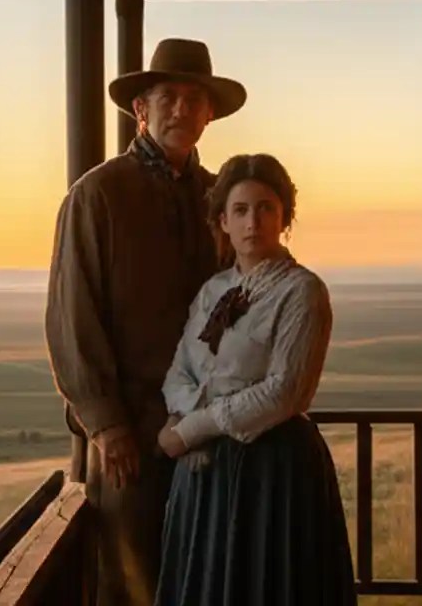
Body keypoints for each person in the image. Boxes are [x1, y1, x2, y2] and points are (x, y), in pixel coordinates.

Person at [44, 38, 246, 605]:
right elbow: (72, 316)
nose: (181, 109)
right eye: (167, 97)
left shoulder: (219, 199)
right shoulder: (98, 194)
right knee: (131, 584)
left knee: (204, 577)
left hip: (207, 430)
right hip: (128, 438)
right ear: (141, 109)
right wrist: (106, 424)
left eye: (193, 99)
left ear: (209, 114)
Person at [155, 154, 357, 606]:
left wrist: (188, 431)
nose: (253, 222)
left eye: (266, 208)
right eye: (241, 210)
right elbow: (180, 370)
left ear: (284, 216)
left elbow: (285, 390)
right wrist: (185, 421)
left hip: (273, 472)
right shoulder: (214, 291)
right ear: (223, 220)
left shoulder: (301, 290)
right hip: (207, 472)